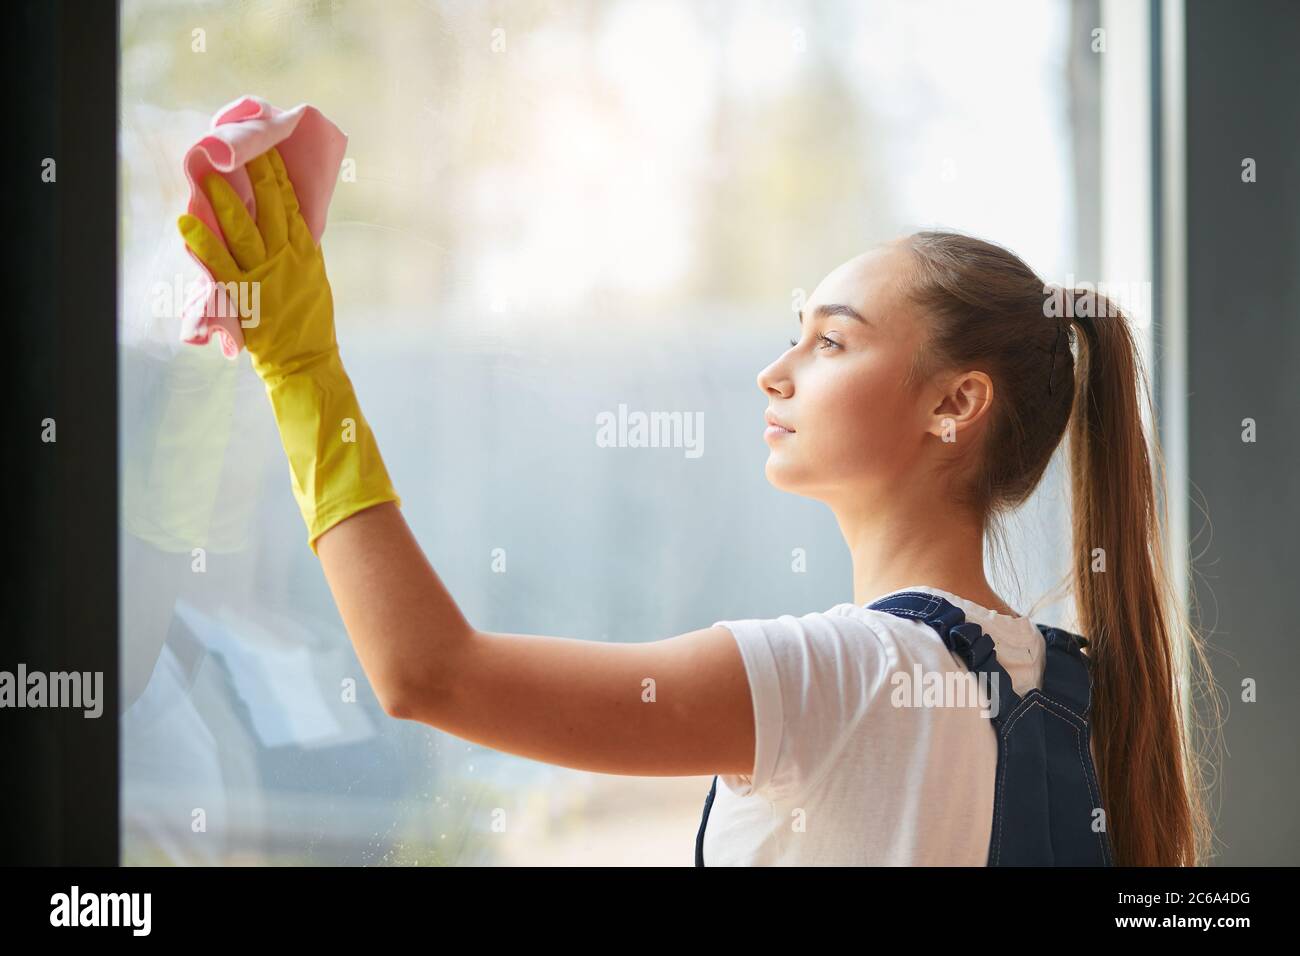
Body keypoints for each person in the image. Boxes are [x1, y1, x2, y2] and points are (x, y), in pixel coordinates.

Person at [177, 149, 1213, 866]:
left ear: (954, 403)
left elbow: (427, 671)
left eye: (831, 341)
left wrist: (302, 367)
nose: (775, 371)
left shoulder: (832, 675)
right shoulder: (1080, 693)